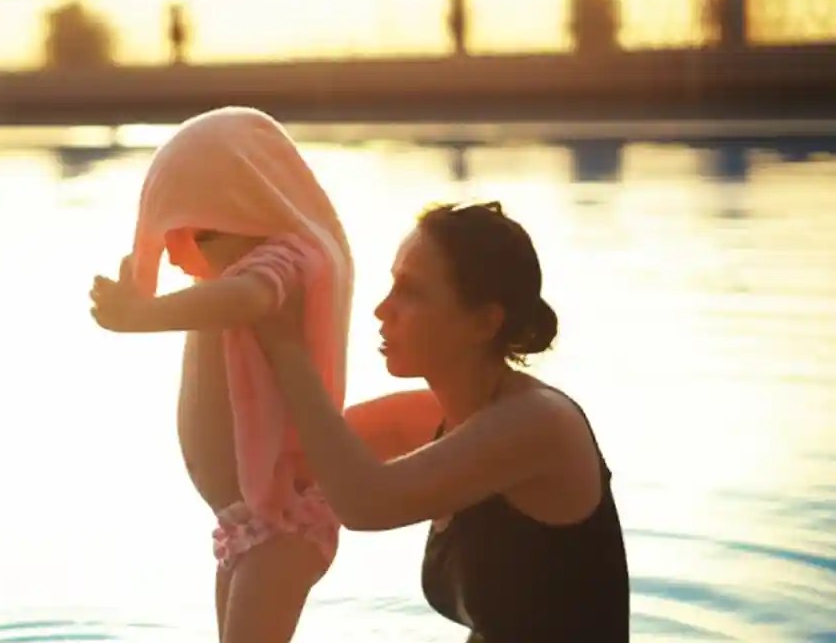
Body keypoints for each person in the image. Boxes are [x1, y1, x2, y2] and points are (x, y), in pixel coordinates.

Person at [252, 201, 630, 642]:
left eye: (410, 292)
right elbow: (303, 453)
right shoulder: (443, 418)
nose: (381, 309)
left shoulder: (541, 425)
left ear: (484, 322)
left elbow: (364, 502)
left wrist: (285, 345)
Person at [89, 106, 354, 642]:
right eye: (174, 242)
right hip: (246, 522)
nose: (185, 259)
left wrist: (142, 317)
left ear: (249, 207)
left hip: (284, 518)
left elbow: (251, 299)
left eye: (199, 239)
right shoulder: (241, 269)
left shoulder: (288, 257)